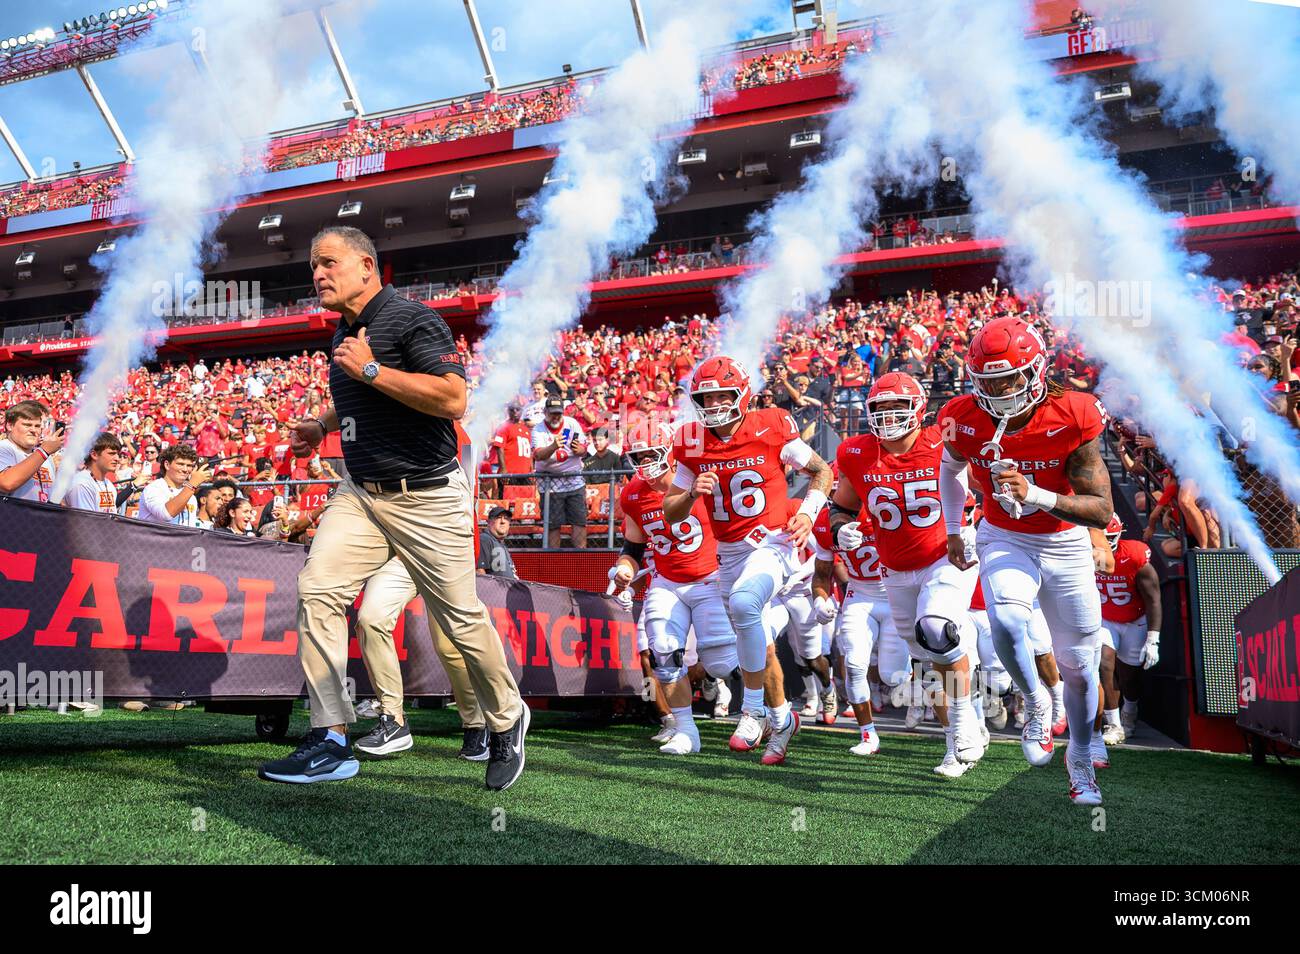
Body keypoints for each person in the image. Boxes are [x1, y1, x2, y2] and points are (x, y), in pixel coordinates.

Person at [257, 225, 527, 791]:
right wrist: (321, 424)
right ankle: (329, 736)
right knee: (318, 590)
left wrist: (371, 370)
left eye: (327, 262)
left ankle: (506, 715)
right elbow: (357, 392)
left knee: (459, 618)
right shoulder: (346, 330)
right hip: (362, 491)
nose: (317, 274)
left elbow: (453, 398)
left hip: (426, 494)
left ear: (365, 265)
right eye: (313, 266)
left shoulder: (410, 318)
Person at [937, 317, 1113, 806]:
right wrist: (955, 527)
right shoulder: (963, 416)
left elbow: (1101, 508)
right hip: (1004, 535)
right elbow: (949, 469)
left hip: (1065, 543)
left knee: (1080, 668)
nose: (1000, 390)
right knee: (1008, 620)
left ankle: (1079, 757)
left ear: (1036, 371)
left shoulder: (1072, 412)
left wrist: (1035, 492)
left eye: (1010, 378)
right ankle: (1035, 699)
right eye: (989, 381)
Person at [663, 355, 834, 765]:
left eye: (722, 394)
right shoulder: (690, 440)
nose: (714, 403)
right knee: (753, 640)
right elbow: (671, 510)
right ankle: (781, 719)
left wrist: (808, 513)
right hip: (730, 553)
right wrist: (690, 494)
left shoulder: (771, 425)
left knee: (744, 603)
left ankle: (752, 708)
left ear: (741, 394)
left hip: (774, 541)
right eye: (707, 397)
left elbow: (822, 471)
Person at [830, 372, 987, 778]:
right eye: (879, 408)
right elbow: (842, 506)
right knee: (927, 660)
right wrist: (839, 528)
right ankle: (958, 730)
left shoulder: (943, 442)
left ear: (918, 408)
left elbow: (987, 488)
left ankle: (963, 727)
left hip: (944, 557)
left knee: (938, 632)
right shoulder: (855, 452)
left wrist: (973, 527)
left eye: (896, 406)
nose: (887, 415)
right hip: (894, 571)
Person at [609, 420, 739, 755]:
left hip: (710, 576)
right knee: (663, 653)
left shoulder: (698, 477)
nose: (645, 462)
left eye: (651, 453)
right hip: (667, 581)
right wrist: (623, 569)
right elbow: (633, 550)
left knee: (722, 663)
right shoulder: (633, 493)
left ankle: (752, 702)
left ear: (669, 450)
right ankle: (685, 731)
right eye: (638, 456)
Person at [810, 505, 893, 756]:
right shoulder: (825, 520)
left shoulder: (885, 503)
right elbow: (822, 573)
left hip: (896, 593)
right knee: (855, 666)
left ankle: (956, 729)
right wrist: (819, 600)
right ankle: (868, 735)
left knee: (895, 675)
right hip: (859, 595)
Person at [1096, 514, 1161, 745]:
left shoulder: (1133, 556)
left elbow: (1153, 598)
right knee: (1104, 663)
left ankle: (1130, 711)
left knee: (1129, 676)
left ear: (1119, 533)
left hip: (1135, 620)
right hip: (1105, 619)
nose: (1104, 543)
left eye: (1110, 537)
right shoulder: (1082, 554)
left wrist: (1153, 639)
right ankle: (1113, 724)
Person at [531, 395, 589, 549]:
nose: (555, 417)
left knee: (579, 521)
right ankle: (553, 559)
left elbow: (584, 448)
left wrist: (580, 450)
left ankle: (581, 558)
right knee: (553, 524)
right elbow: (538, 455)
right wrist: (553, 446)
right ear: (545, 412)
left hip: (573, 480)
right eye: (552, 413)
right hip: (550, 484)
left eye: (558, 413)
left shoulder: (572, 423)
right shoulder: (538, 429)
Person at [0, 401, 62, 502]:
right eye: (27, 425)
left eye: (37, 426)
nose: (34, 430)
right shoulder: (3, 447)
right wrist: (44, 451)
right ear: (9, 426)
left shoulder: (46, 456)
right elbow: (6, 483)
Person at [137, 445, 209, 527]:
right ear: (167, 465)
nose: (185, 469)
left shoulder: (191, 496)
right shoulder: (154, 488)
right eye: (180, 464)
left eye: (189, 466)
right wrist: (192, 485)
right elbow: (166, 514)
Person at [65, 432, 122, 513]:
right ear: (94, 455)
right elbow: (85, 523)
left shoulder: (109, 485)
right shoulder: (82, 484)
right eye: (111, 453)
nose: (117, 458)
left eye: (117, 454)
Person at [477, 506, 518, 579]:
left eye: (506, 518)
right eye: (498, 517)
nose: (503, 521)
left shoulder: (501, 544)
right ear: (489, 522)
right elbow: (479, 572)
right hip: (494, 590)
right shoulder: (485, 539)